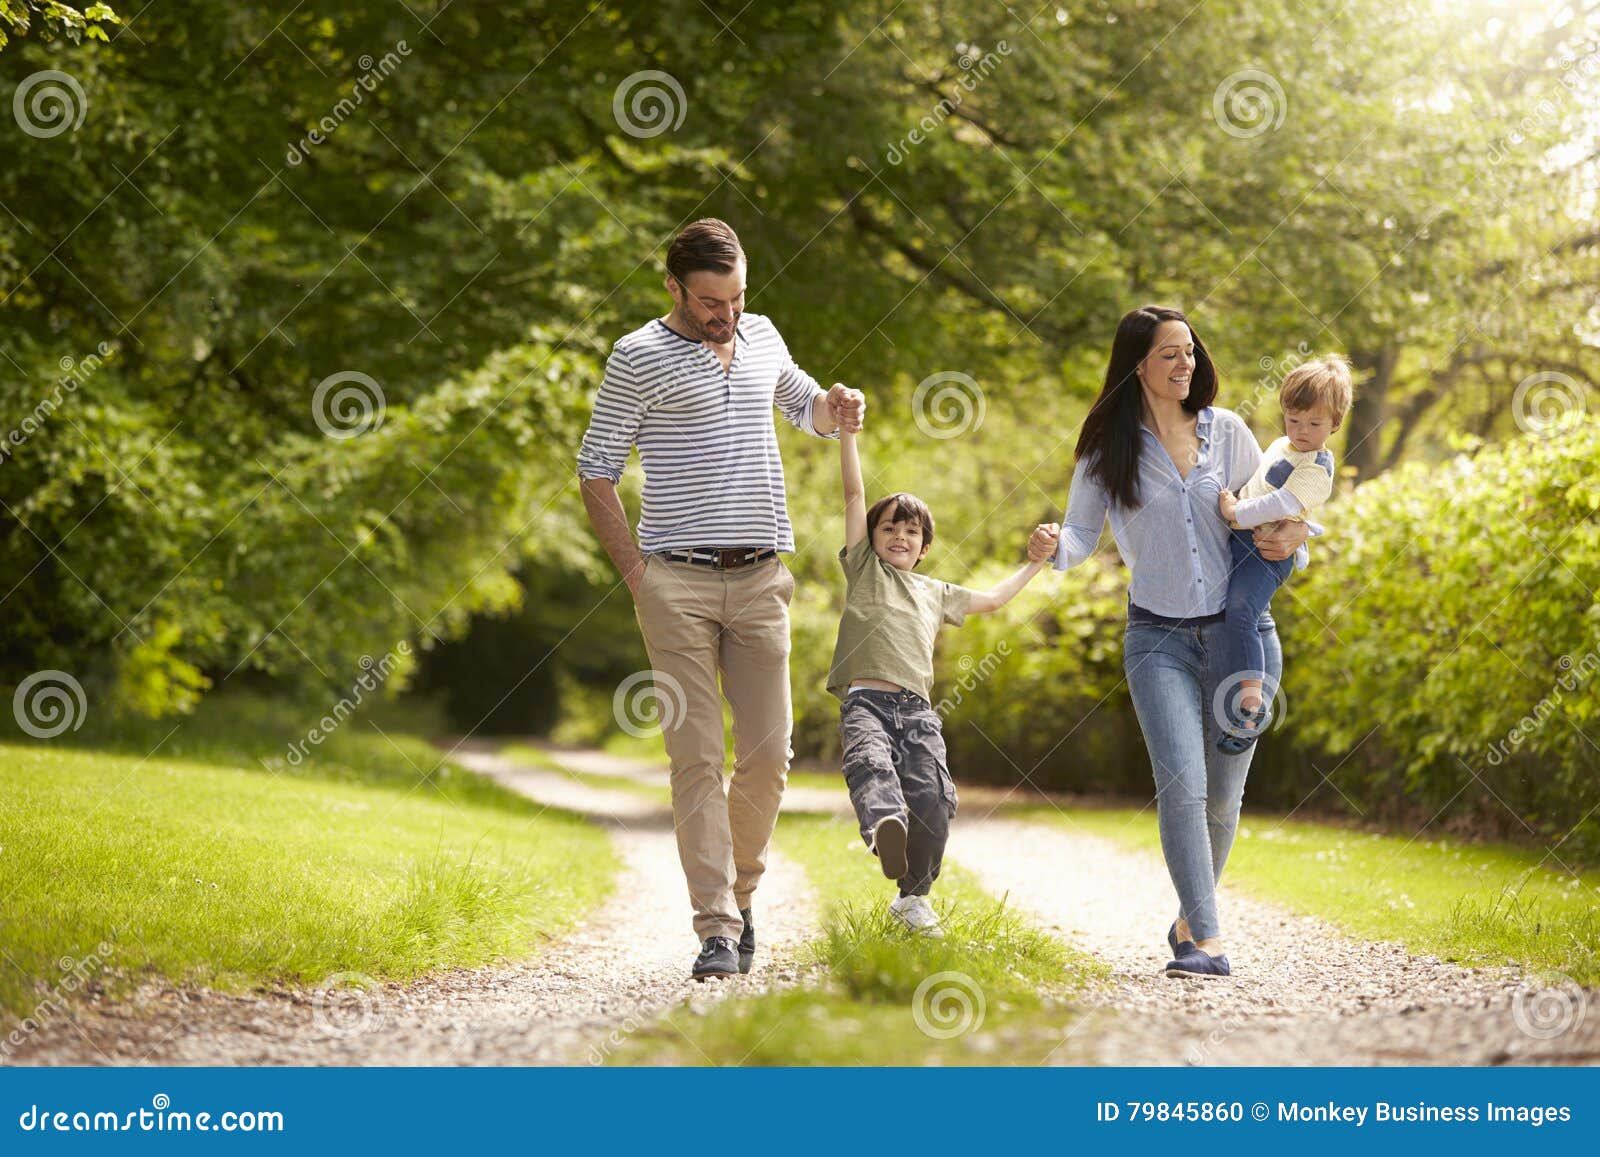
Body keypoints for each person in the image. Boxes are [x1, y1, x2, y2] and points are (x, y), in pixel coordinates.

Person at [576, 218, 865, 980]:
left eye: (736, 296)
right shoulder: (637, 356)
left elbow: (809, 409)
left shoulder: (763, 334)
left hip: (764, 576)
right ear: (673, 287)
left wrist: (839, 404)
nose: (726, 314)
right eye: (710, 301)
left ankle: (741, 897)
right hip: (676, 581)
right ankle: (714, 926)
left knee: (771, 754)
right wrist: (639, 575)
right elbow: (595, 468)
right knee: (696, 754)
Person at [1028, 305, 1311, 979]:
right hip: (1157, 640)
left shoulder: (1230, 433)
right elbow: (1077, 539)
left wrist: (1296, 541)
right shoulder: (1107, 453)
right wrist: (1049, 546)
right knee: (1182, 785)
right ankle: (1208, 940)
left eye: (1189, 352)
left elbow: (1282, 520)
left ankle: (1189, 918)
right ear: (1137, 365)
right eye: (1169, 355)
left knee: (1221, 798)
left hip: (1242, 640)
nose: (1185, 365)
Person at [828, 418, 1047, 938]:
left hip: (919, 713)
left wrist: (1035, 564)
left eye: (911, 532)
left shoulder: (935, 591)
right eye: (889, 528)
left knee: (933, 800)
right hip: (866, 705)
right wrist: (847, 434)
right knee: (871, 766)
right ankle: (885, 828)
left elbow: (992, 600)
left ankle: (913, 899)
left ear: (924, 546)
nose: (899, 536)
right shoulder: (864, 569)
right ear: (872, 538)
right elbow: (855, 491)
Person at [1214, 355, 1352, 752]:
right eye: (1294, 420)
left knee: (1242, 612)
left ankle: (1251, 705)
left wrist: (1234, 512)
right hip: (1244, 541)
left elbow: (1278, 504)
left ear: (1335, 424)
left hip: (1267, 553)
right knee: (1238, 614)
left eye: (1315, 424)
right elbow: (1257, 483)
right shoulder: (1279, 446)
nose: (1302, 431)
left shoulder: (1317, 469)